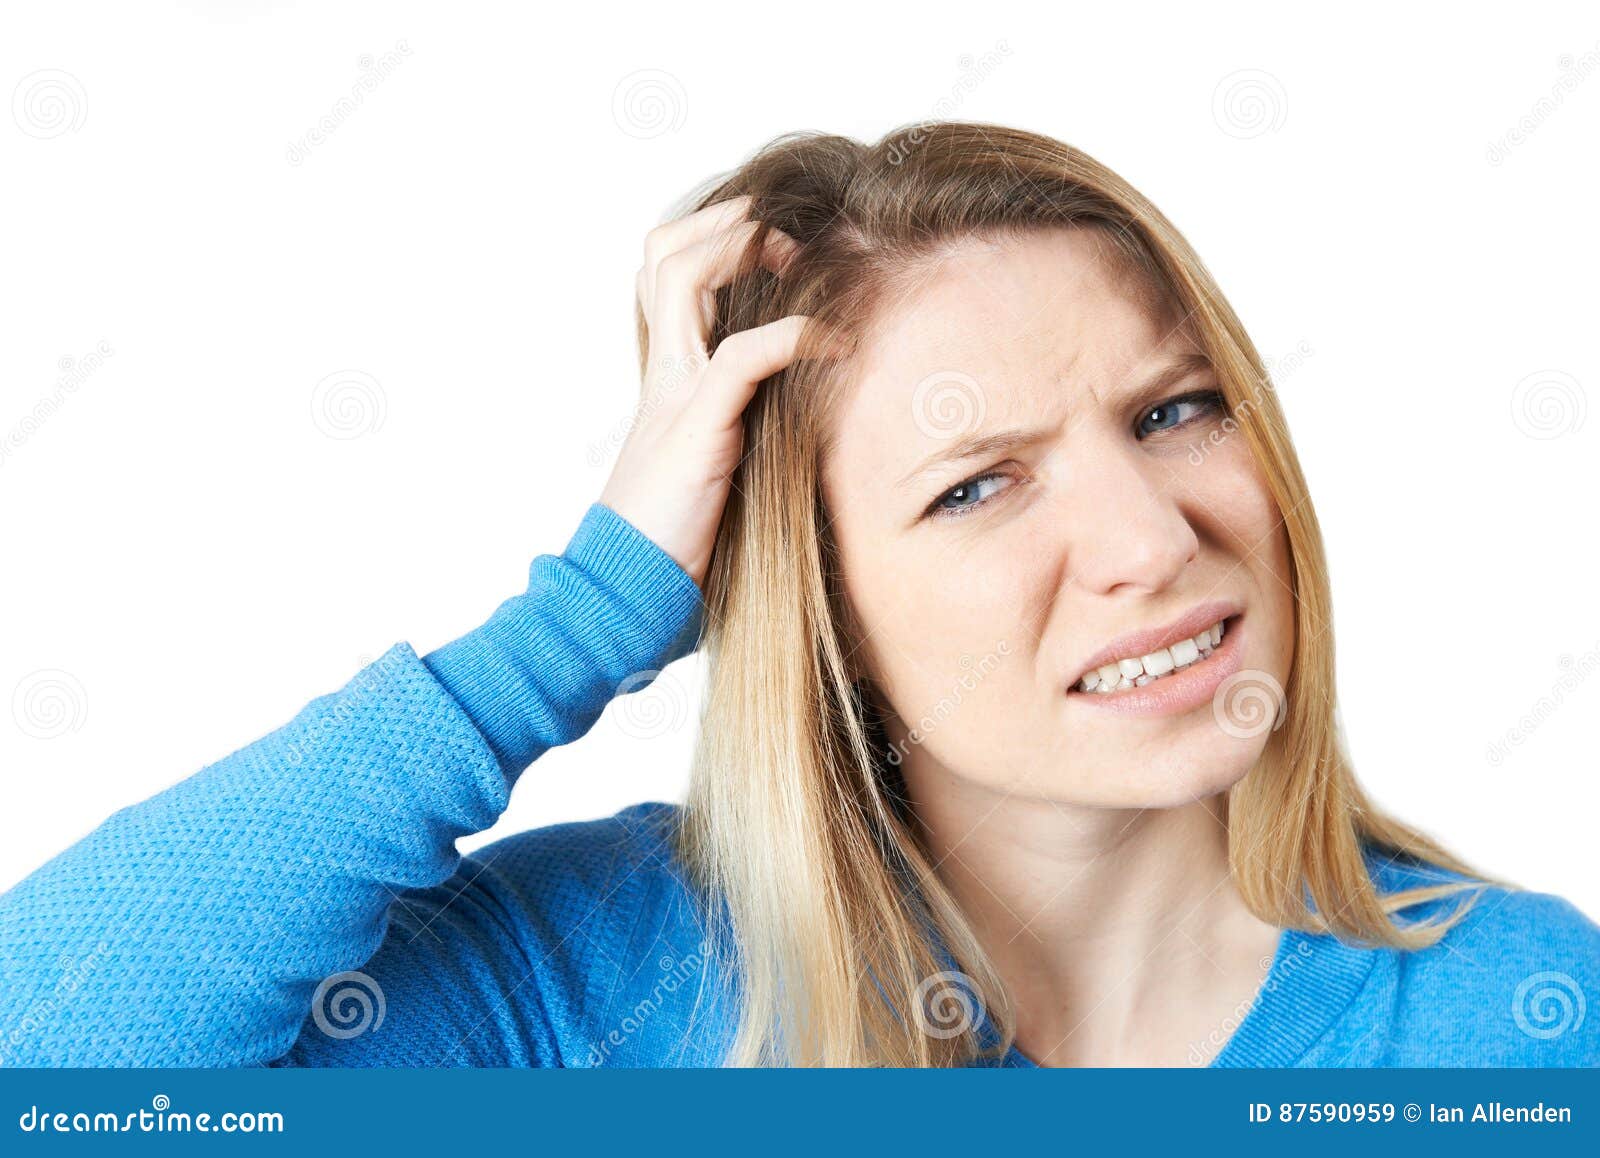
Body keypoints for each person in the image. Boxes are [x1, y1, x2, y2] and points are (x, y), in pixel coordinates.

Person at [2, 122, 1596, 1068]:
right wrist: (572, 627)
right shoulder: (614, 987)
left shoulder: (1515, 1022)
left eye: (1171, 410)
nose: (1147, 537)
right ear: (808, 601)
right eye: (978, 483)